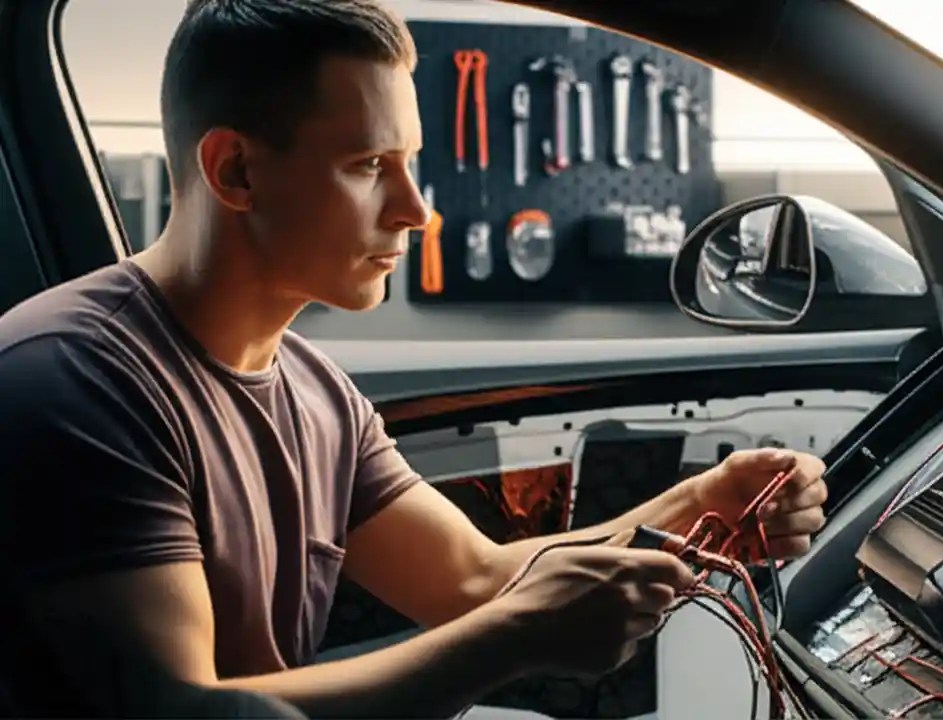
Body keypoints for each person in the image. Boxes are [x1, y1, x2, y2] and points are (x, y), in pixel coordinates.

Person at [0, 0, 829, 717]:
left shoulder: (317, 394)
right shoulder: (73, 378)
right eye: (368, 167)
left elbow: (475, 578)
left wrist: (701, 502)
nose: (416, 209)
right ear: (235, 169)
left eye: (412, 163)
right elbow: (180, 712)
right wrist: (511, 639)